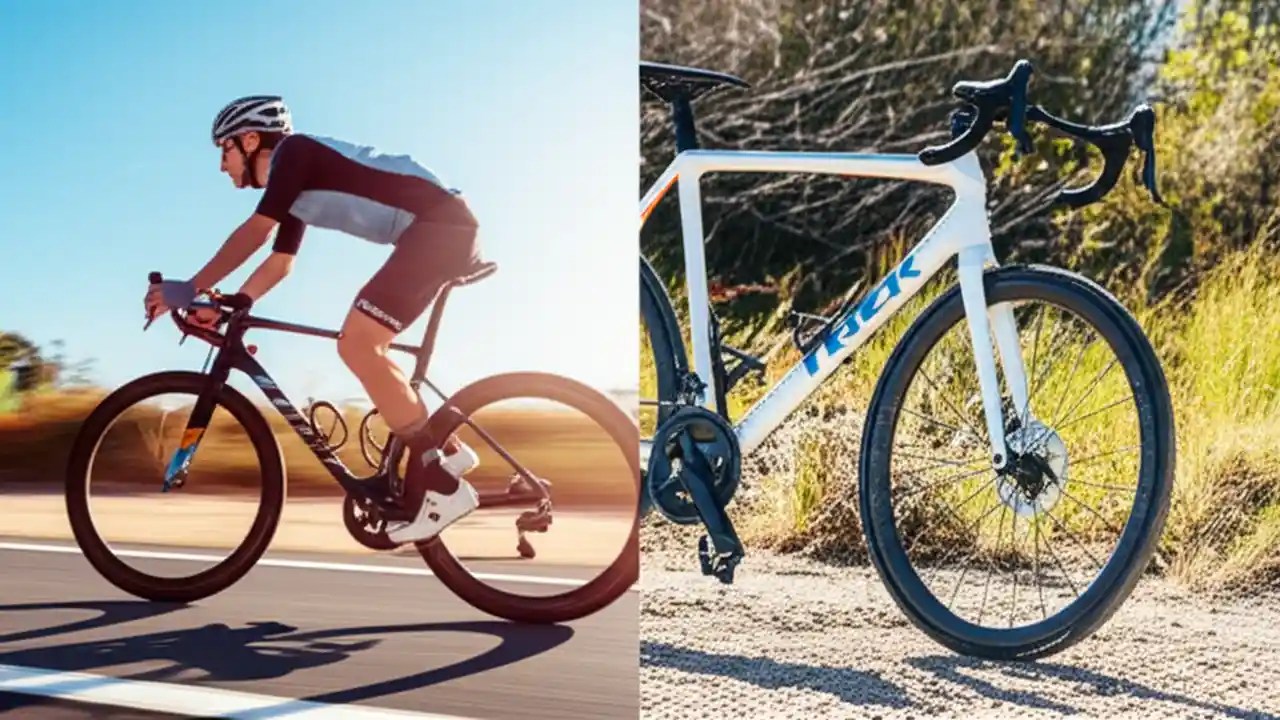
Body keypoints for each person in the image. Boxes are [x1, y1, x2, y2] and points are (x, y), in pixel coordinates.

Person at [143, 95, 482, 544]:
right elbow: (281, 261)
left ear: (250, 140)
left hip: (439, 229)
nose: (222, 165)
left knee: (359, 344)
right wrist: (235, 301)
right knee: (366, 348)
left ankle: (442, 487)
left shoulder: (294, 153)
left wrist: (187, 289)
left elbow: (256, 231)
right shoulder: (294, 184)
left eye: (224, 150)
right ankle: (446, 453)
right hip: (437, 230)